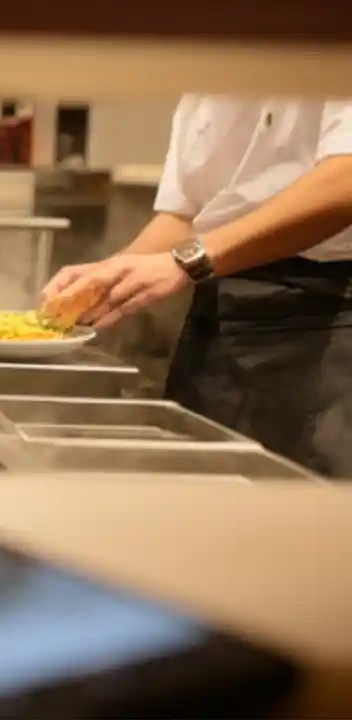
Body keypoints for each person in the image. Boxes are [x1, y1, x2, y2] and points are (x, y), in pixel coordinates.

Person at [41, 95, 352, 476]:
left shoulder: (328, 59)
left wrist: (188, 260)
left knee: (308, 498)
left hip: (327, 311)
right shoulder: (206, 78)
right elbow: (187, 215)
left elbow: (344, 182)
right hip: (218, 309)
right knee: (205, 486)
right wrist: (108, 275)